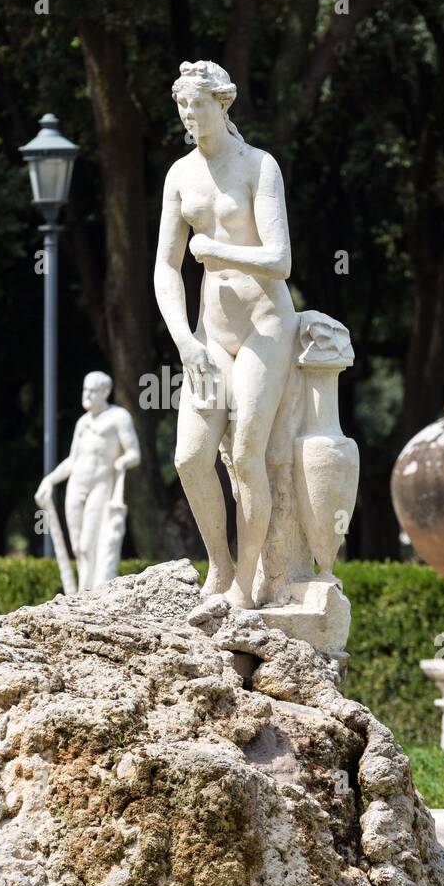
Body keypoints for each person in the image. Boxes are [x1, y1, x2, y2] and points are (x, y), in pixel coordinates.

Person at [154, 60, 295, 608]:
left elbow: (280, 260)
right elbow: (166, 268)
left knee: (243, 451)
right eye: (183, 107)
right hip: (210, 333)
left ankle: (249, 578)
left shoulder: (259, 167)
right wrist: (185, 342)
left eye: (199, 105)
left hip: (264, 324)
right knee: (190, 457)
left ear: (223, 104)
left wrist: (217, 252)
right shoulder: (179, 175)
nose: (190, 115)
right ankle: (220, 563)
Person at [34, 372, 140, 591]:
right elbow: (72, 460)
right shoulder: (82, 422)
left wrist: (122, 462)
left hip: (100, 486)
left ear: (105, 392)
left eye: (92, 390)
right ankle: (84, 592)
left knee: (89, 543)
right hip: (76, 486)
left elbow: (134, 453)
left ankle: (88, 593)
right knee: (78, 546)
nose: (87, 395)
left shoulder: (118, 417)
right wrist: (50, 480)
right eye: (85, 389)